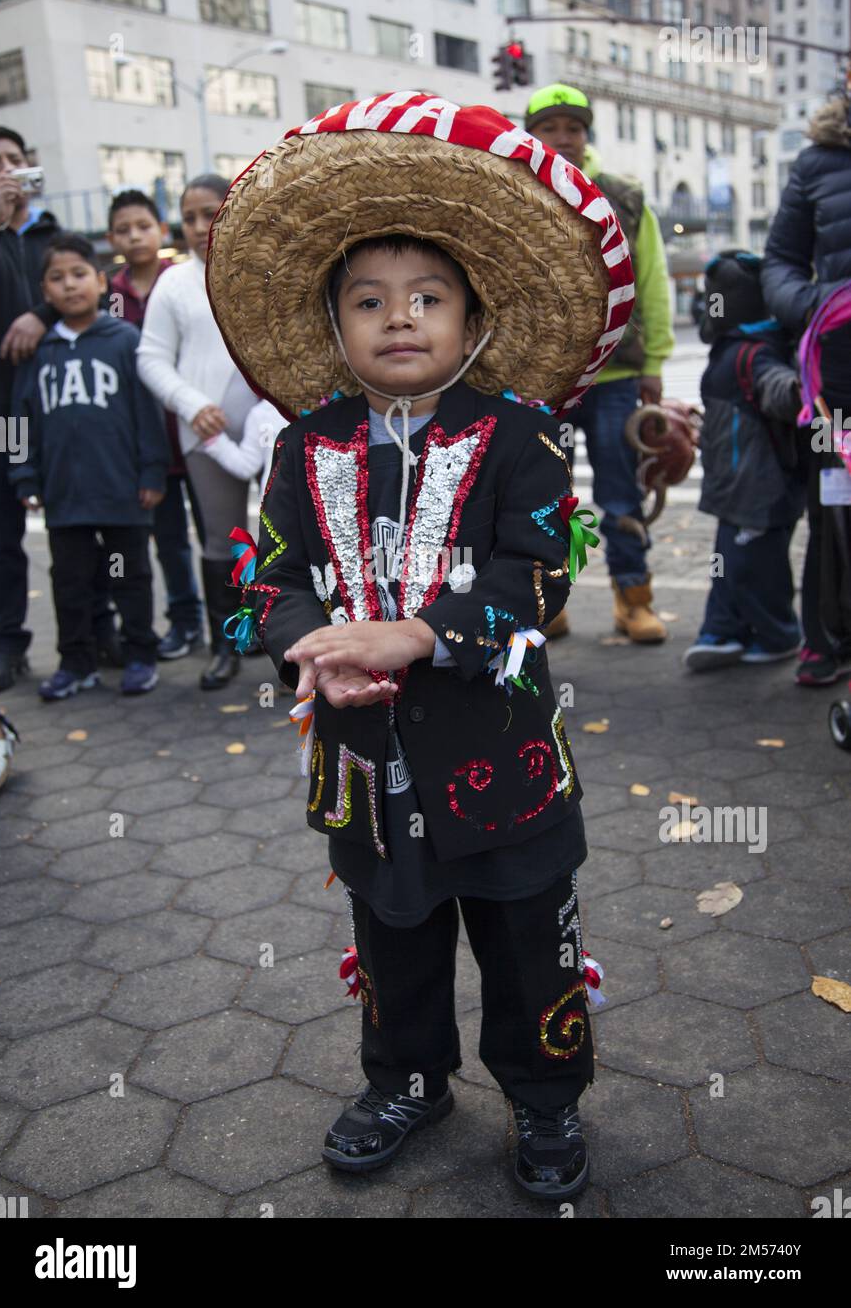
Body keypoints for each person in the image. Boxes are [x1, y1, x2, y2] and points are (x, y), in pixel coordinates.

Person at [206, 93, 637, 1199]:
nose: (398, 317)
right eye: (368, 300)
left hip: (504, 763)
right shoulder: (305, 447)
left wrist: (411, 633)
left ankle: (543, 1101)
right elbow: (262, 583)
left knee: (523, 934)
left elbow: (536, 575)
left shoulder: (517, 433)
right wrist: (312, 647)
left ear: (473, 316)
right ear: (336, 324)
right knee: (392, 937)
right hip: (360, 757)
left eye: (426, 297)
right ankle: (404, 1078)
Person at [524, 84, 675, 643]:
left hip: (615, 378)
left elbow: (654, 280)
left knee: (621, 496)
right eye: (549, 128)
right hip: (544, 380)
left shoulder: (625, 195)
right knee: (540, 500)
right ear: (531, 135)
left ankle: (633, 600)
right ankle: (545, 603)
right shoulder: (512, 189)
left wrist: (655, 360)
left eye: (574, 128)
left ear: (587, 135)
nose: (563, 138)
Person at [9, 233, 169, 699]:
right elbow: (18, 418)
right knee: (71, 582)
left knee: (127, 575)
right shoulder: (38, 350)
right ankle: (75, 661)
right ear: (45, 292)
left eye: (79, 274)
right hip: (65, 497)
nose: (70, 285)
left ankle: (140, 653)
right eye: (57, 278)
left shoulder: (123, 341)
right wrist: (23, 474)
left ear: (100, 282)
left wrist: (152, 471)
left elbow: (147, 412)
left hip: (122, 494)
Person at [137, 175, 255, 689]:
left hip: (276, 427)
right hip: (205, 435)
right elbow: (151, 358)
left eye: (211, 212)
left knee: (288, 536)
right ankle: (226, 645)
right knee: (223, 540)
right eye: (189, 217)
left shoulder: (262, 268)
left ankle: (288, 640)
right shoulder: (174, 282)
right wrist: (190, 405)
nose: (199, 226)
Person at [761, 91, 851, 686]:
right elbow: (780, 261)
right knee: (832, 508)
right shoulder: (819, 160)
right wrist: (818, 303)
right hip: (837, 371)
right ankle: (824, 638)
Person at [683, 251, 806, 671]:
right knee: (727, 565)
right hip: (733, 490)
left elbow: (781, 389)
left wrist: (797, 390)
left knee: (757, 568)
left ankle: (779, 635)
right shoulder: (731, 348)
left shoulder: (758, 354)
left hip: (762, 492)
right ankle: (721, 631)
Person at [107, 189, 205, 659]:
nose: (135, 236)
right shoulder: (109, 295)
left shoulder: (183, 280)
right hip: (149, 447)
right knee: (169, 543)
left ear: (161, 231)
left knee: (219, 537)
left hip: (198, 429)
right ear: (112, 238)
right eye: (124, 229)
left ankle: (239, 625)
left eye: (143, 226)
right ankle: (184, 622)